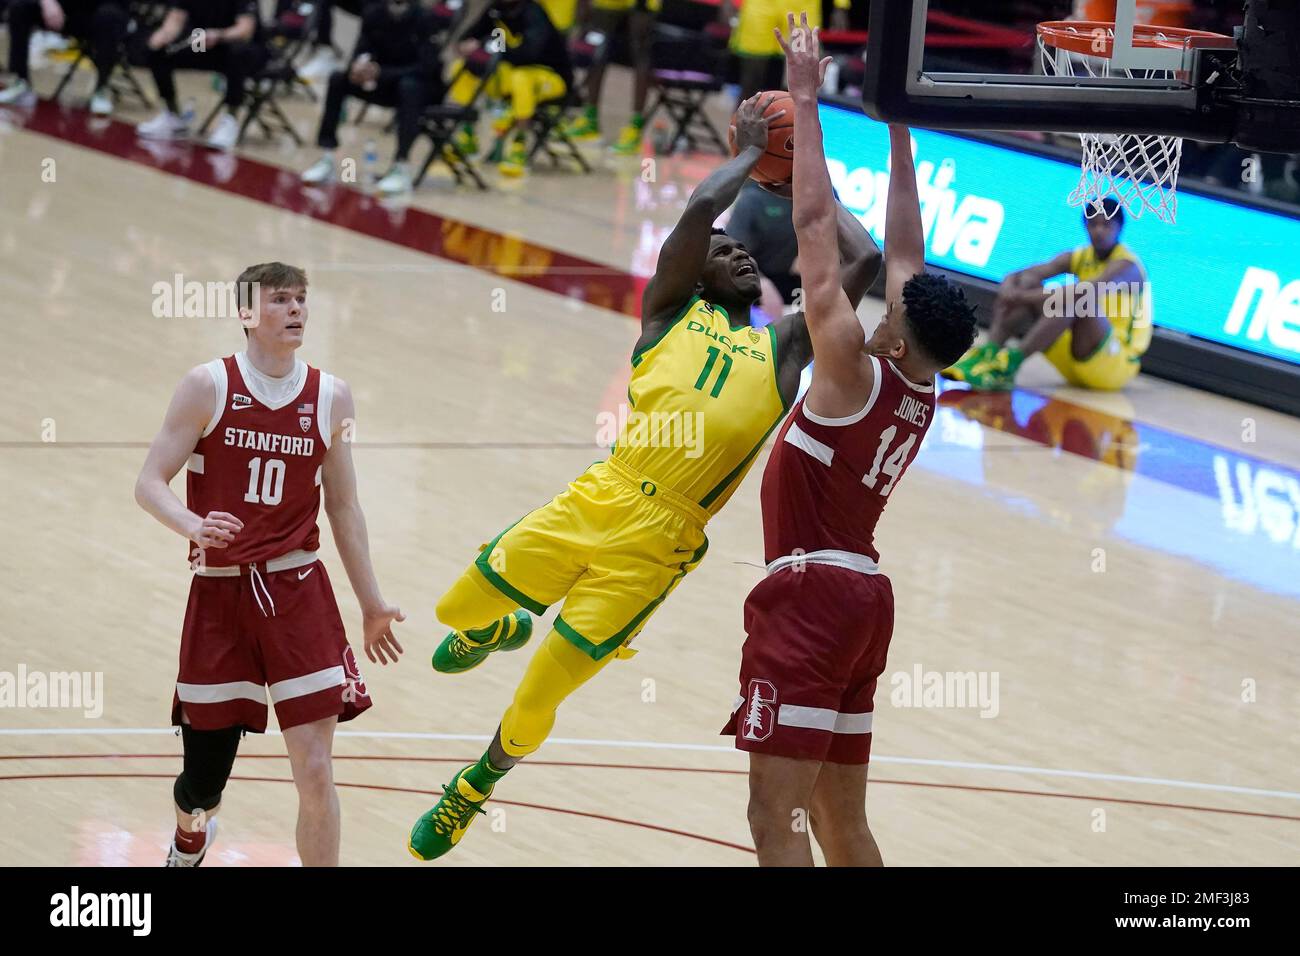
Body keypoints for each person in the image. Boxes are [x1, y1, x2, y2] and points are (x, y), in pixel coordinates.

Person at [407, 92, 881, 862]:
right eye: (723, 252)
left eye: (746, 254)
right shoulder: (666, 314)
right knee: (451, 605)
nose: (737, 254)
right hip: (600, 494)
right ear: (695, 274)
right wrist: (749, 156)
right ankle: (499, 624)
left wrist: (802, 177)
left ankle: (473, 786)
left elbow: (861, 262)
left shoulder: (783, 352)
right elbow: (699, 211)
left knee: (541, 695)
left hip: (657, 545)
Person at [723, 16, 977, 867]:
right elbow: (905, 247)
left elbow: (817, 234)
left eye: (891, 311)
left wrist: (805, 98)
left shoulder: (848, 372)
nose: (884, 304)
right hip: (865, 602)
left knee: (776, 821)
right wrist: (902, 128)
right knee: (841, 825)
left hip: (811, 597)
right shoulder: (919, 383)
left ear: (898, 336)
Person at [134, 262, 404, 866]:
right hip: (222, 594)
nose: (297, 311)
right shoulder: (207, 385)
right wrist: (191, 524)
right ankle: (189, 835)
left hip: (299, 589)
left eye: (302, 300)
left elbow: (344, 505)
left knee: (314, 768)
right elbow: (149, 482)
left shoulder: (332, 396)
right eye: (282, 300)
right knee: (204, 783)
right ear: (248, 313)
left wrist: (372, 602)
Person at [943, 197, 1152, 391]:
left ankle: (1009, 366)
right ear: (1085, 226)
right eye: (1093, 224)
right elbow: (1021, 274)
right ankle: (989, 353)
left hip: (1115, 362)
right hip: (1075, 358)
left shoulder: (1128, 266)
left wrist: (1021, 296)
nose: (1099, 231)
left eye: (1106, 225)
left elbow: (1085, 291)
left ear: (1119, 228)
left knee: (1079, 299)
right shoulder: (1079, 256)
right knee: (1027, 282)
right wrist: (1010, 285)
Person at [299, 0, 444, 195]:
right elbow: (363, 48)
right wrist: (360, 65)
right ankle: (327, 155)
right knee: (338, 79)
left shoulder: (425, 18)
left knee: (409, 87)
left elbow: (427, 67)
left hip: (421, 87)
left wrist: (381, 72)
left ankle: (401, 165)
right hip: (384, 84)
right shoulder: (374, 12)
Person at [445, 0, 572, 176]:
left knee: (521, 79)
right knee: (460, 68)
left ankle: (518, 146)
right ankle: (467, 135)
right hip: (511, 71)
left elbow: (528, 53)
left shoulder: (534, 13)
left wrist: (484, 47)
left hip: (550, 77)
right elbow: (467, 39)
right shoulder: (495, 10)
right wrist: (466, 46)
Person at [136, 0, 268, 150]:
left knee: (237, 54)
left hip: (243, 46)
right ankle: (172, 115)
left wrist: (218, 35)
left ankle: (230, 120)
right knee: (159, 52)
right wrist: (163, 35)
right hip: (203, 43)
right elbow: (175, 19)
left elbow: (245, 30)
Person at [0, 0, 129, 114]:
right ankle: (21, 81)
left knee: (110, 17)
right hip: (65, 11)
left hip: (101, 12)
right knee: (19, 7)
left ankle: (101, 90)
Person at [564, 0, 657, 154]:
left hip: (642, 5)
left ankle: (635, 128)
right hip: (608, 4)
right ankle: (590, 120)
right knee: (596, 49)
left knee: (640, 54)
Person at [720, 0, 849, 102]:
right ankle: (739, 131)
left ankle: (792, 133)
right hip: (761, 7)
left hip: (801, 9)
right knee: (751, 80)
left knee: (800, 85)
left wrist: (841, 6)